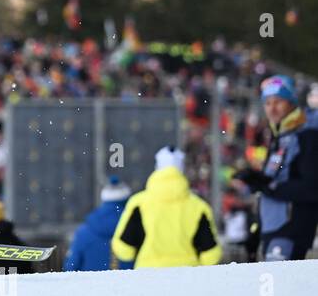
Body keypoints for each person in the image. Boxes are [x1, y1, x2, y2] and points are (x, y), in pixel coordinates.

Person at [233, 75, 318, 261]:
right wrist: (255, 181)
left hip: (290, 228)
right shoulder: (280, 135)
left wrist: (267, 185)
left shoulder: (307, 134)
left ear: (291, 103)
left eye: (278, 101)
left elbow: (311, 188)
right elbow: (275, 180)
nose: (272, 108)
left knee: (278, 289)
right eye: (267, 103)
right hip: (274, 228)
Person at [111, 147, 221, 268]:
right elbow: (211, 256)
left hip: (147, 277)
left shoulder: (138, 203)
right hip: (189, 277)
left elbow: (124, 250)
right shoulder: (199, 207)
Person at [64, 176, 131, 272]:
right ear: (127, 199)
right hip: (130, 286)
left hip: (91, 286)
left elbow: (70, 267)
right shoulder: (138, 227)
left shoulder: (83, 232)